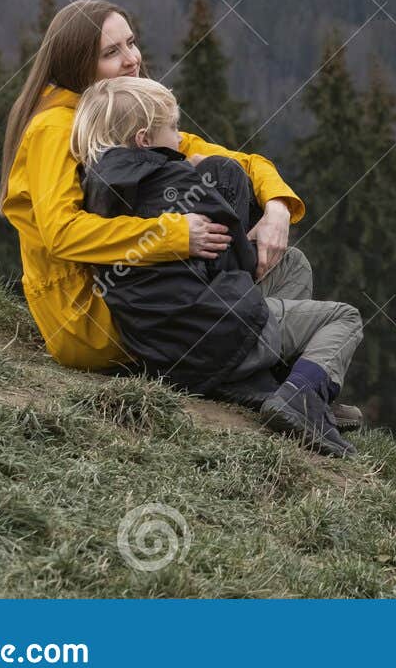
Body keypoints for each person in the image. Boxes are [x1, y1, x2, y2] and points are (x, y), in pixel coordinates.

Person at [0, 0, 360, 433]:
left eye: (130, 42)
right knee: (331, 311)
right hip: (93, 319)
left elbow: (238, 161)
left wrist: (278, 206)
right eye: (110, 53)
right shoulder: (57, 129)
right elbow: (62, 232)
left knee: (289, 261)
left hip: (136, 296)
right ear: (78, 63)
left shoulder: (119, 110)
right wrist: (172, 235)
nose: (131, 58)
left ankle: (280, 385)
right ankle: (281, 386)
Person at [72, 76, 364, 456]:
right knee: (343, 318)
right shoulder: (173, 180)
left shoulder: (95, 186)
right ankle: (302, 398)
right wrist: (219, 181)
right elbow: (234, 261)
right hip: (211, 334)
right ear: (144, 139)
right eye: (173, 129)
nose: (179, 140)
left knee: (291, 264)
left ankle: (273, 384)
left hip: (163, 344)